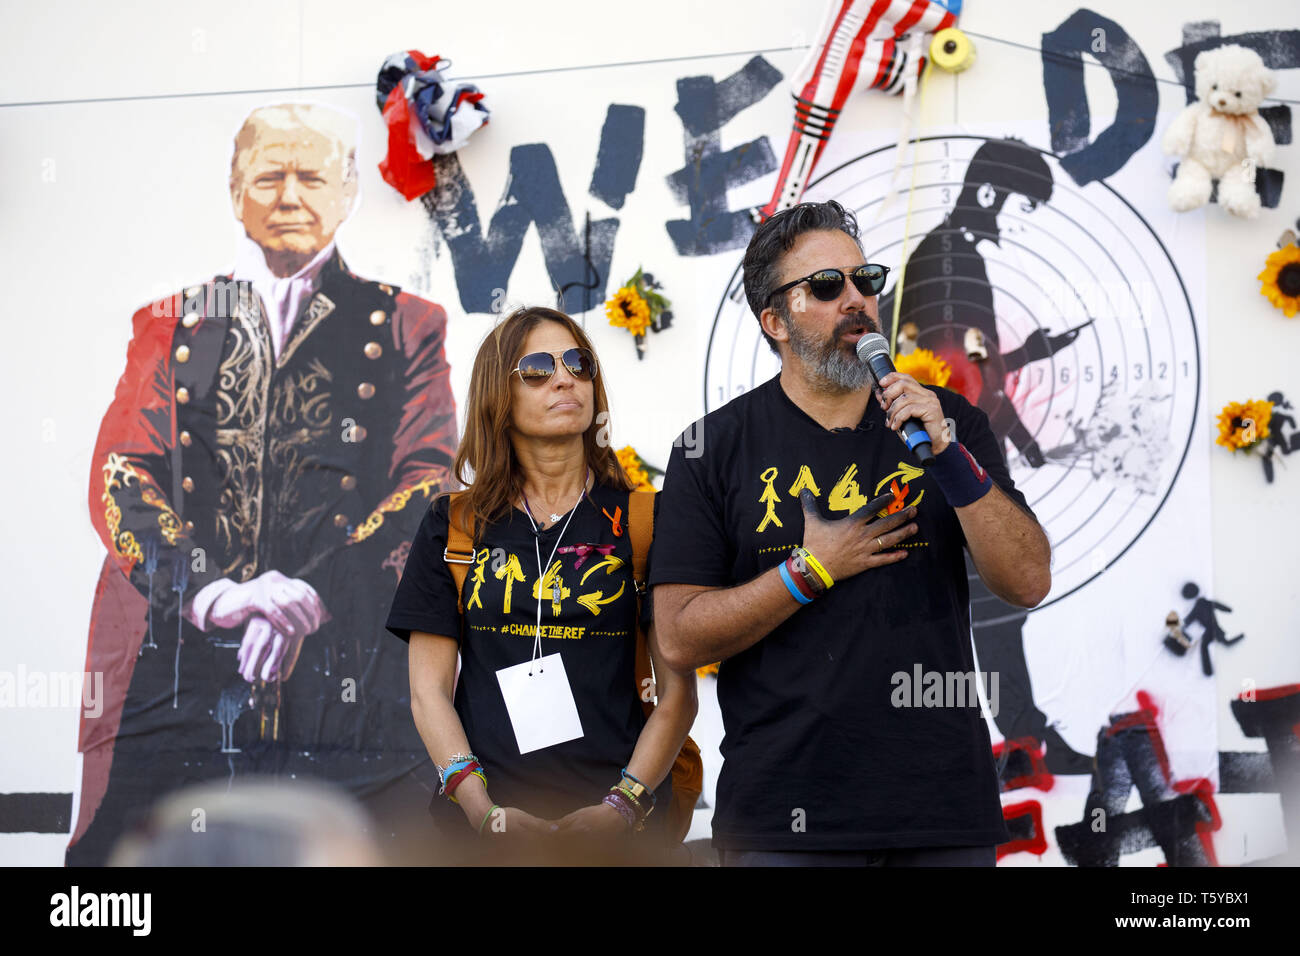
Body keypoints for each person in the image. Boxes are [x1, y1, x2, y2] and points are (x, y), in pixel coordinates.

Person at [68, 102, 458, 866]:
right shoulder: (173, 322)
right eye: (268, 175)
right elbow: (122, 473)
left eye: (311, 176)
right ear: (234, 190)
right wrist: (219, 594)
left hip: (352, 667)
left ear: (346, 193)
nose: (289, 195)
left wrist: (309, 594)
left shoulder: (409, 322)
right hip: (185, 661)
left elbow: (426, 482)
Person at [649, 200, 1052, 866]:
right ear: (774, 320)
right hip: (786, 822)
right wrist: (809, 571)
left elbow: (1027, 580)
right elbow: (680, 636)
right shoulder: (711, 449)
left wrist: (951, 460)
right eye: (827, 286)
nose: (856, 299)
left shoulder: (948, 421)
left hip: (943, 814)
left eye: (865, 280)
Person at [386, 306, 697, 864]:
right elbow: (428, 692)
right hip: (485, 833)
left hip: (619, 833)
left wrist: (621, 807)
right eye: (536, 367)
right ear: (496, 394)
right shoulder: (455, 523)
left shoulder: (647, 520)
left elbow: (677, 695)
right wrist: (483, 814)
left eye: (579, 363)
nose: (565, 378)